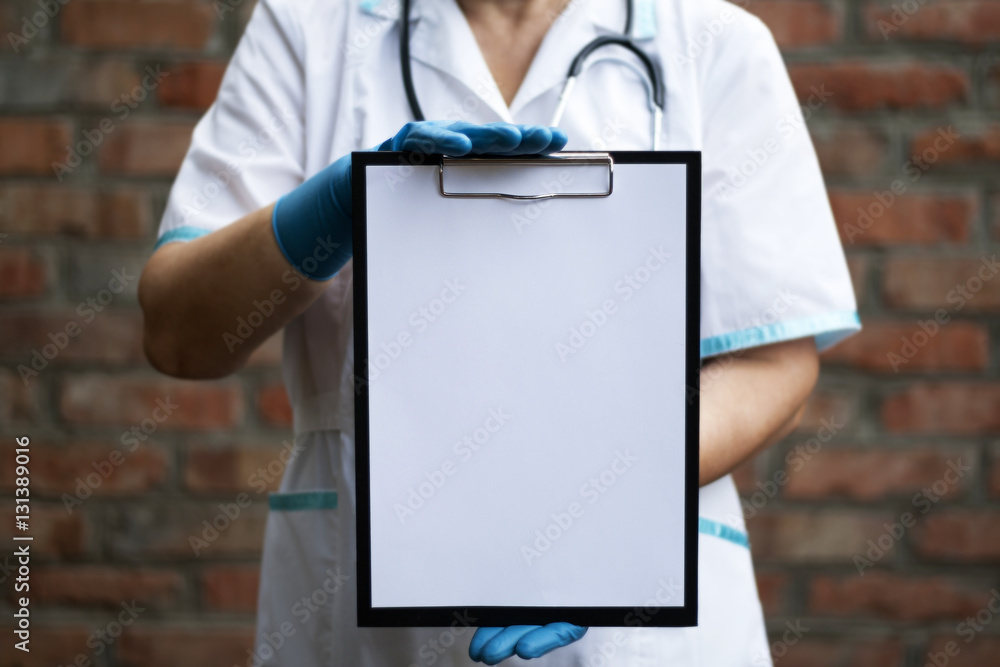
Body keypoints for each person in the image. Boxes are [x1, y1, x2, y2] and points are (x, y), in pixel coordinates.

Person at [138, 0, 860, 664]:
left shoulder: (715, 41)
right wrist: (325, 216)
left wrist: (607, 490)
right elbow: (178, 334)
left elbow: (775, 364)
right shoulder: (308, 28)